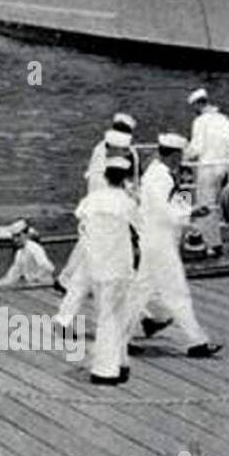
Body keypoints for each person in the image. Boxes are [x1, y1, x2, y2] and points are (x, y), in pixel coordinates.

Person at [131, 134, 223, 358]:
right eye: (180, 155)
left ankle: (123, 335)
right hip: (160, 242)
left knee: (140, 291)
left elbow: (172, 208)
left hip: (158, 240)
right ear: (173, 155)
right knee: (177, 293)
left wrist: (190, 213)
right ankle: (197, 342)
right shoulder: (160, 178)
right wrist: (191, 212)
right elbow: (164, 212)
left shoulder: (161, 174)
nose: (181, 160)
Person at [59, 126, 137, 323]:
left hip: (93, 240)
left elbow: (82, 212)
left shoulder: (104, 175)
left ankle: (63, 320)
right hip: (111, 248)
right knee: (118, 289)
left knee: (81, 281)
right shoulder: (122, 196)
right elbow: (140, 221)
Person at [74, 156, 141, 385]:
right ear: (125, 179)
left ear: (104, 177)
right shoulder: (126, 202)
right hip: (119, 266)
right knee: (112, 317)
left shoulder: (92, 200)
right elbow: (143, 228)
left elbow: (81, 220)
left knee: (109, 313)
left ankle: (121, 363)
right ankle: (104, 370)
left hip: (96, 265)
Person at [185, 88, 229, 255]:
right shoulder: (225, 120)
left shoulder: (200, 122)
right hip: (225, 167)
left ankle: (211, 243)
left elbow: (196, 148)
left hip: (207, 167)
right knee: (223, 204)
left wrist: (184, 155)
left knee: (205, 204)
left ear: (198, 105)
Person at [0, 219, 57, 287]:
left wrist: (36, 278)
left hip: (45, 286)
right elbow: (13, 275)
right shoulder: (19, 253)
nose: (16, 240)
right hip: (33, 286)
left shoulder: (34, 248)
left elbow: (48, 267)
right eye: (14, 237)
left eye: (18, 236)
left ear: (26, 235)